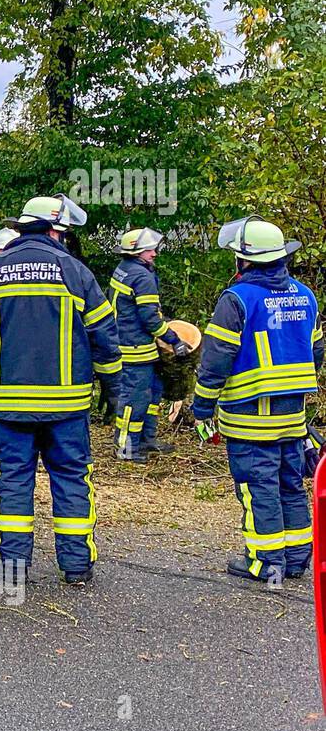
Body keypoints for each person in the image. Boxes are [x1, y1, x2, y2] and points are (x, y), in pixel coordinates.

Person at [0, 195, 122, 584]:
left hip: (9, 405)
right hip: (68, 406)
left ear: (23, 227)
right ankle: (76, 567)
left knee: (12, 479)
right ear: (56, 230)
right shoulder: (76, 273)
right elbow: (105, 336)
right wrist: (114, 390)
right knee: (72, 477)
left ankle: (11, 566)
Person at [191, 217, 323, 583]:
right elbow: (317, 352)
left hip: (250, 419)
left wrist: (202, 407)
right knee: (290, 485)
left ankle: (267, 563)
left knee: (258, 487)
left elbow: (215, 360)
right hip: (293, 417)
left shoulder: (237, 300)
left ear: (244, 260)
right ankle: (296, 560)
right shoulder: (305, 295)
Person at [108, 228, 189, 461]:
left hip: (130, 342)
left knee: (153, 393)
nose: (154, 253)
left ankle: (147, 440)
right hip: (135, 347)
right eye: (149, 250)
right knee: (135, 399)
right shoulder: (141, 276)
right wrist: (174, 339)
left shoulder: (125, 269)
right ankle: (126, 448)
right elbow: (150, 318)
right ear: (137, 252)